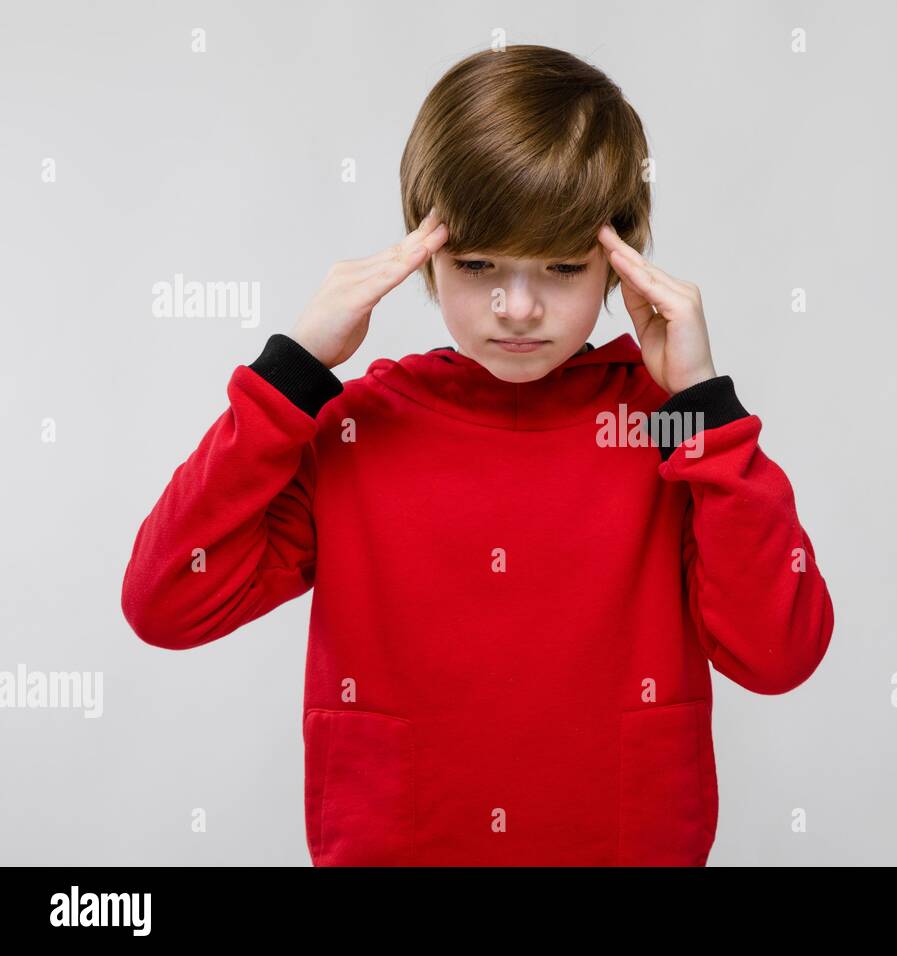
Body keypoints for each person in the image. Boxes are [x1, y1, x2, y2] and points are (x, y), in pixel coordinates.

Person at [121, 44, 834, 867]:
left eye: (563, 267)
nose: (517, 307)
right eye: (478, 265)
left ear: (621, 260)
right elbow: (165, 602)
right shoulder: (357, 428)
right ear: (423, 253)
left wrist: (705, 407)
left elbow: (780, 656)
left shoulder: (668, 426)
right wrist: (292, 373)